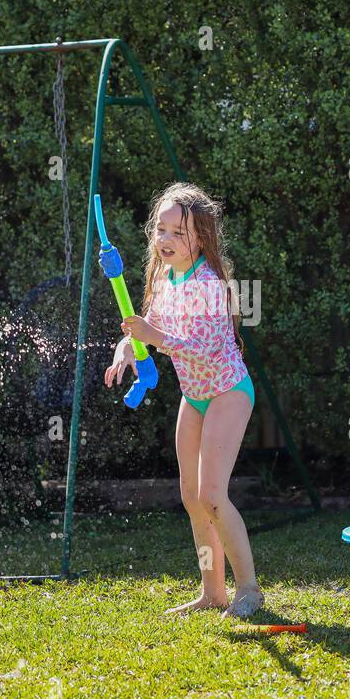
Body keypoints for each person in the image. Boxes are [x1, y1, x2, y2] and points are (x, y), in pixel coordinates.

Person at [105, 182, 263, 618]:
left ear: (201, 239)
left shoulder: (209, 285)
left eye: (179, 232)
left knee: (213, 494)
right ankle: (212, 592)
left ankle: (248, 589)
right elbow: (146, 327)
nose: (167, 240)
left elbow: (201, 348)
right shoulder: (163, 278)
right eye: (161, 230)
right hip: (195, 396)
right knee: (192, 498)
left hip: (228, 391)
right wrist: (127, 351)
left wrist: (152, 337)